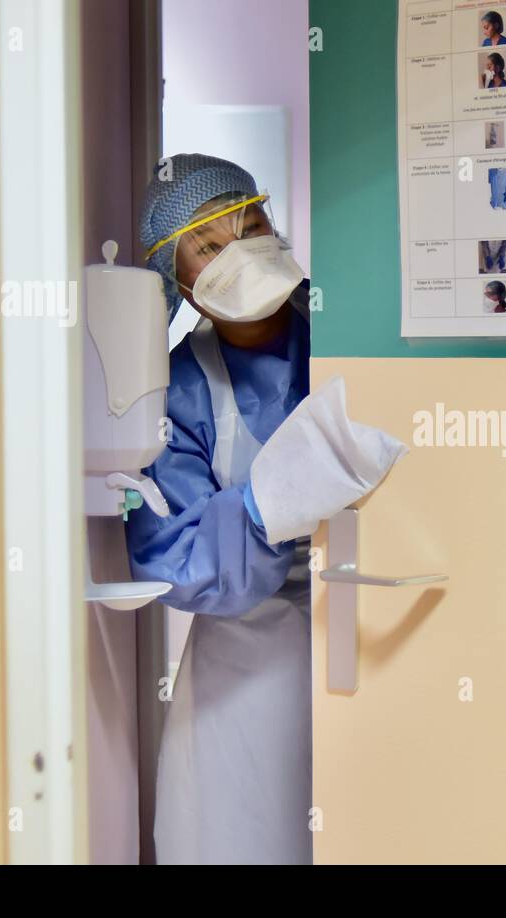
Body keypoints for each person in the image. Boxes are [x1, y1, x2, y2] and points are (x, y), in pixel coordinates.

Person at [127, 154, 321, 865]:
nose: (238, 251)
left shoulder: (341, 337)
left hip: (361, 633)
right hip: (245, 666)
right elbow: (169, 552)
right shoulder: (177, 389)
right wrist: (271, 505)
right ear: (175, 280)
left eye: (252, 224)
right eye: (207, 245)